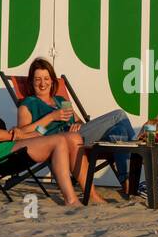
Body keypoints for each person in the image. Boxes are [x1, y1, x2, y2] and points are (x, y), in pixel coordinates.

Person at [0, 64, 82, 208]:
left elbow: (21, 132)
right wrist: (17, 136)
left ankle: (78, 196)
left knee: (59, 138)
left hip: (8, 145)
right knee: (59, 140)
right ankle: (71, 200)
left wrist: (30, 133)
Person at [16, 57, 139, 199]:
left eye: (46, 78)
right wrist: (51, 117)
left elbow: (79, 121)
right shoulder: (28, 104)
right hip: (61, 141)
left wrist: (77, 125)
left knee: (120, 132)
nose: (43, 83)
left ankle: (126, 182)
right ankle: (142, 159)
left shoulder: (60, 100)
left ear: (52, 80)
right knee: (119, 114)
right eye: (37, 79)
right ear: (31, 81)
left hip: (79, 135)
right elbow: (23, 134)